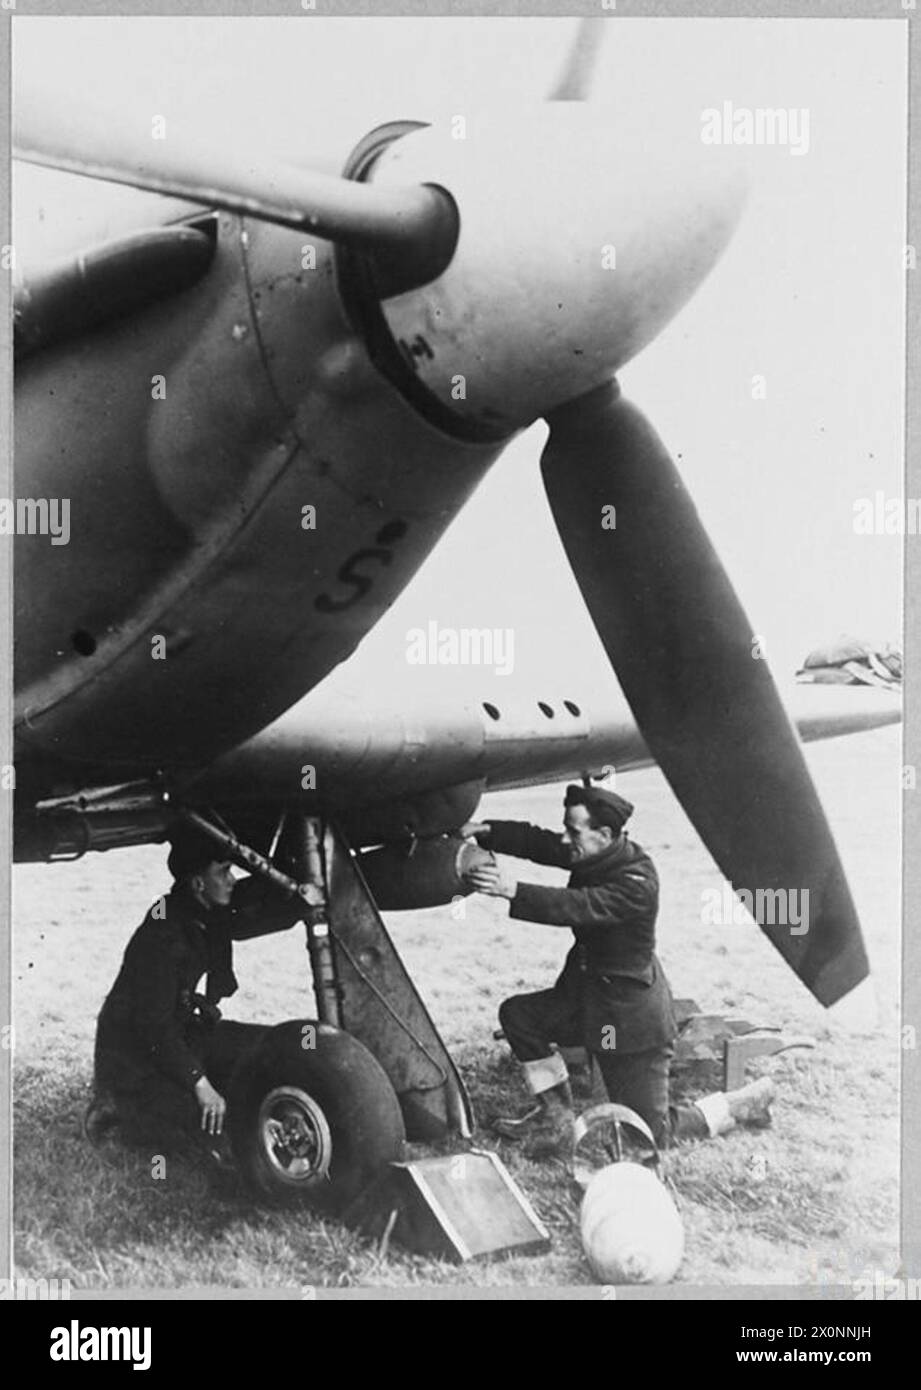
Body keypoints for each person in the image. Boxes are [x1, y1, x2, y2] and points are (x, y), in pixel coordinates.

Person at [463, 784, 773, 1158]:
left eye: (572, 832)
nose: (565, 839)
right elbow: (541, 842)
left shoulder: (636, 882)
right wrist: (486, 830)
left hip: (625, 1020)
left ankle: (741, 1104)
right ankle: (556, 1115)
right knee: (519, 1015)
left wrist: (511, 889)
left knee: (647, 1134)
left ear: (605, 835)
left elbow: (577, 906)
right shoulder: (594, 850)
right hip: (586, 999)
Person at [85, 825, 311, 1164]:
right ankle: (116, 1107)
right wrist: (200, 1084)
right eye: (224, 872)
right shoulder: (161, 934)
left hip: (180, 1032)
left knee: (267, 1046)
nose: (233, 879)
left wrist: (302, 900)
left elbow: (252, 913)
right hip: (137, 1058)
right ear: (198, 884)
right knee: (215, 1123)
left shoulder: (200, 908)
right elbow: (153, 1029)